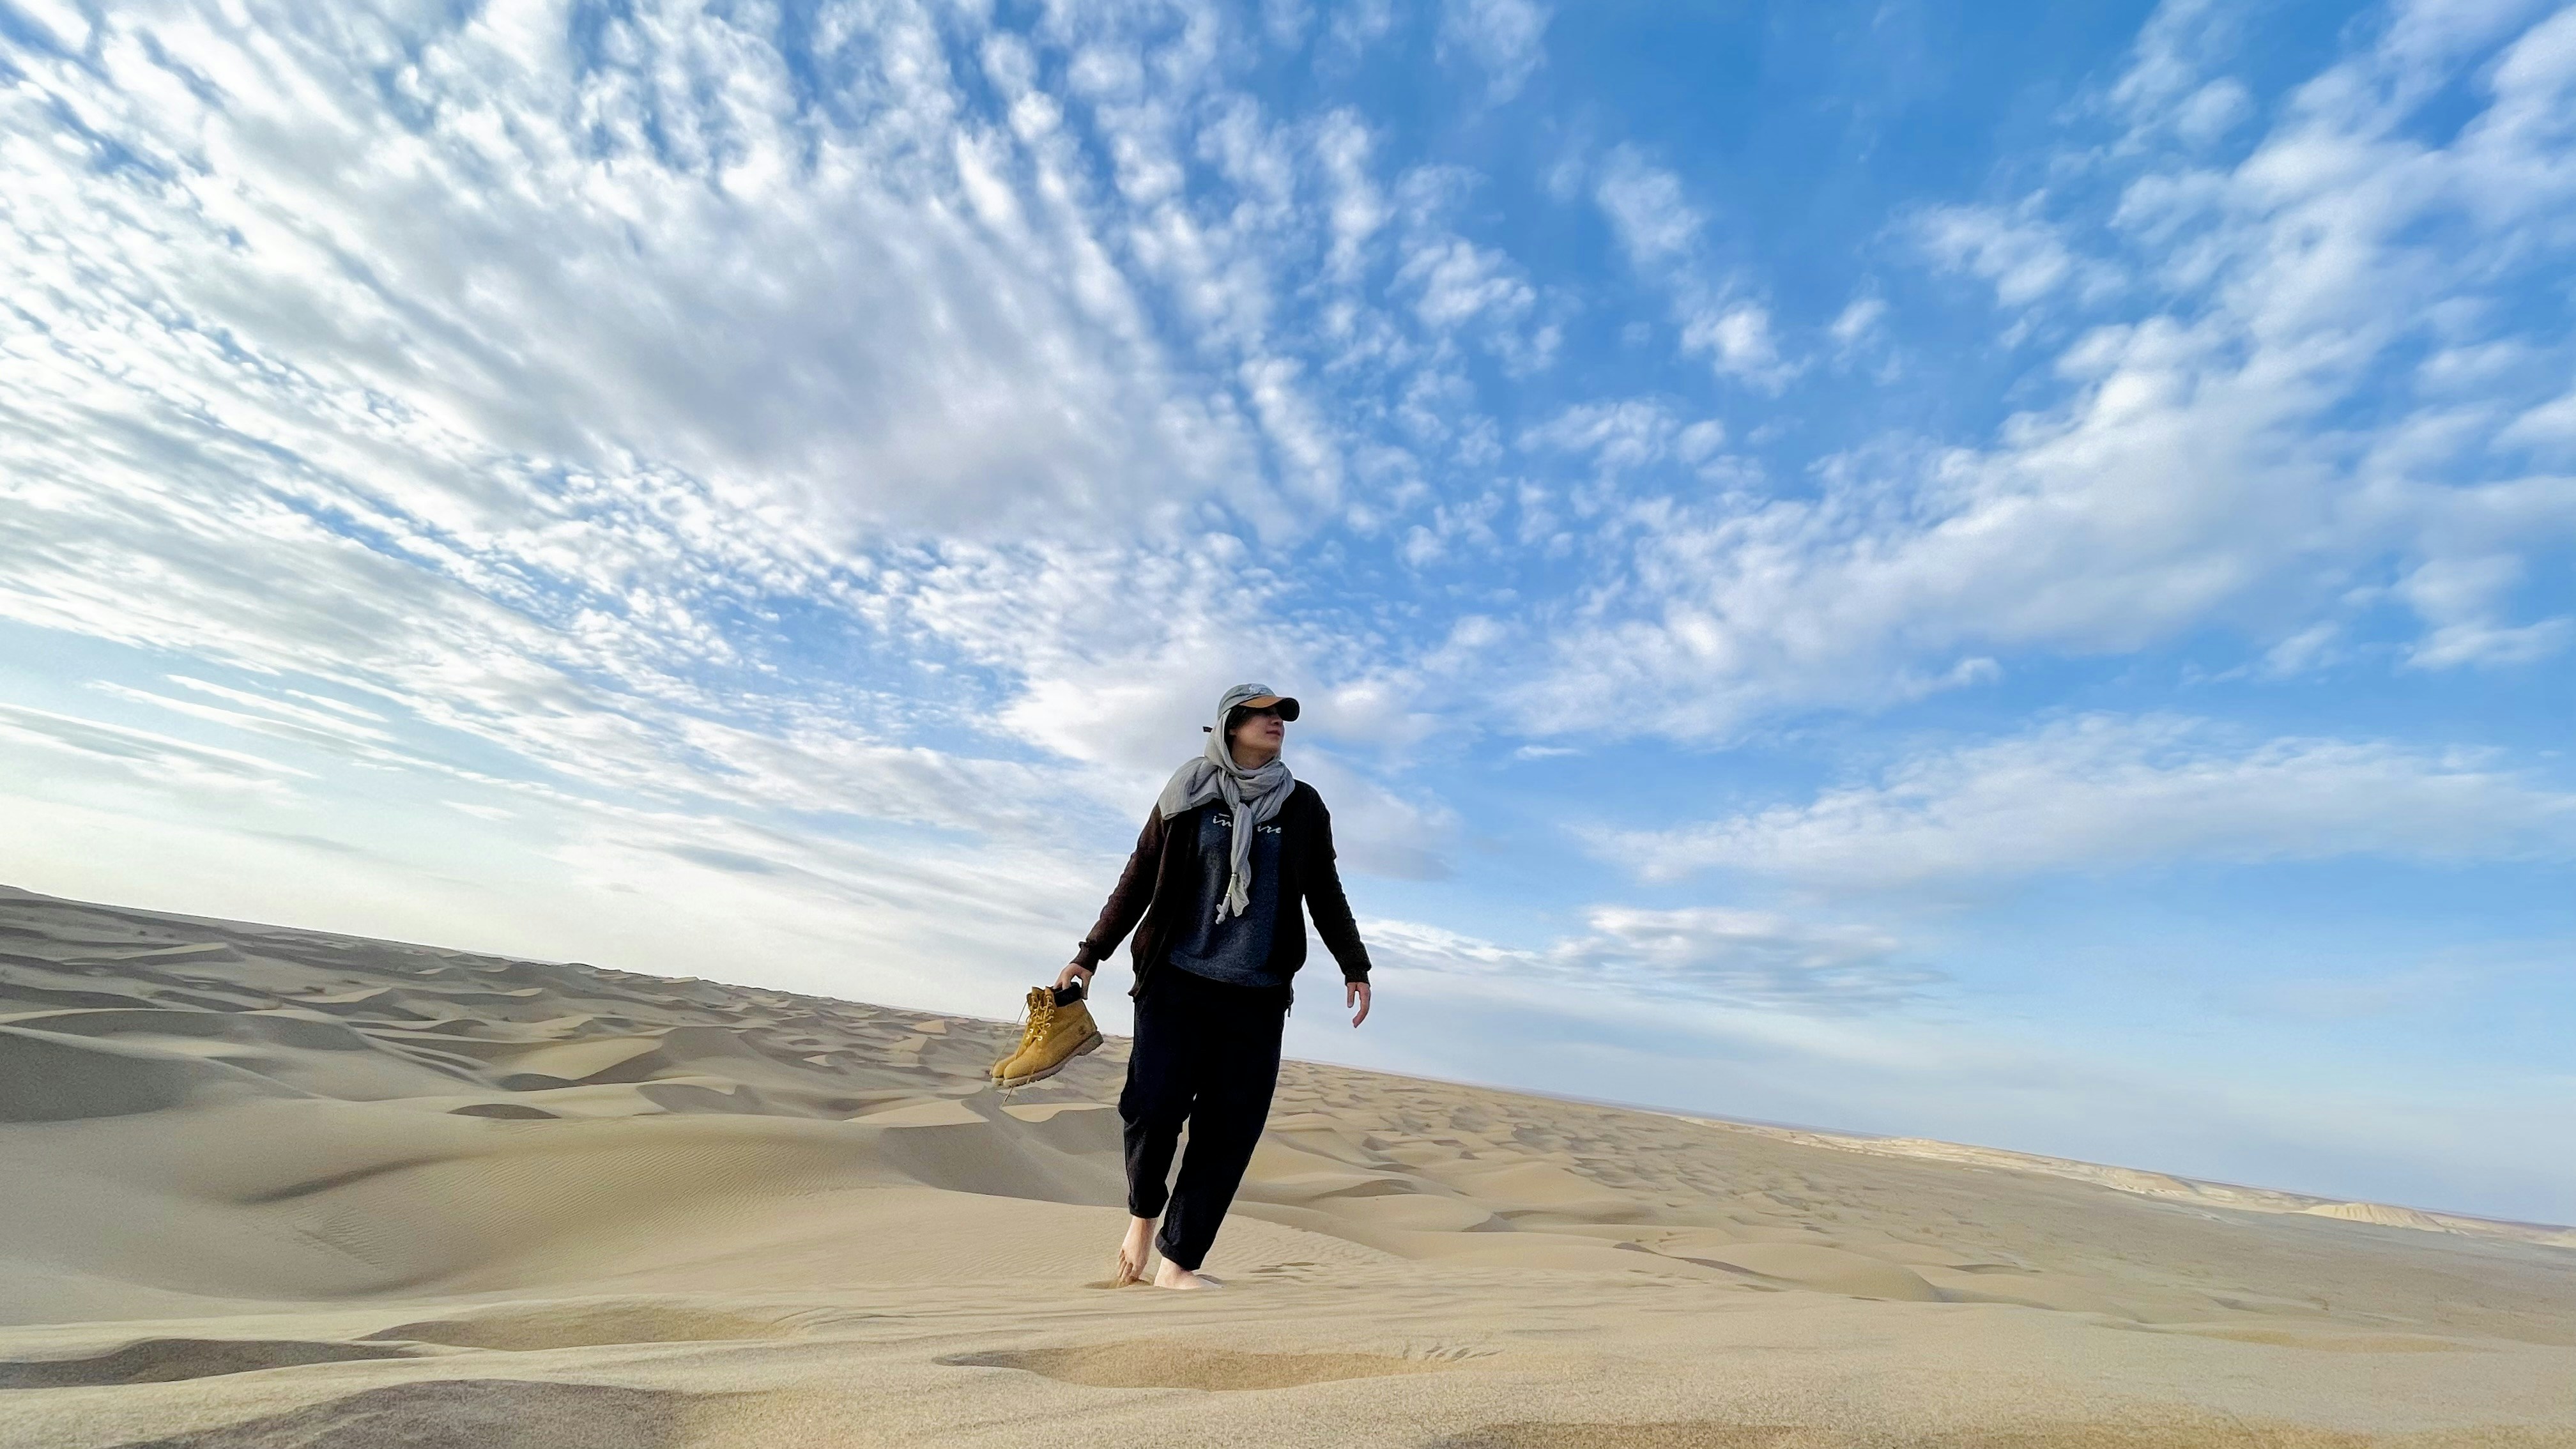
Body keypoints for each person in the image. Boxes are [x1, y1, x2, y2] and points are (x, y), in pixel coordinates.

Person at [1057, 682, 1374, 1290]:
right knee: (1152, 1110)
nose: (1277, 720)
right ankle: (1143, 1216)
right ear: (1230, 724)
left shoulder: (1303, 806)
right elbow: (1139, 876)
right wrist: (1090, 954)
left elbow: (1325, 893)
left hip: (1255, 995)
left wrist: (1353, 964)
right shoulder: (1186, 793)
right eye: (1262, 713)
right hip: (1175, 983)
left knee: (1230, 1131)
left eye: (1283, 714)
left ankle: (1178, 1266)